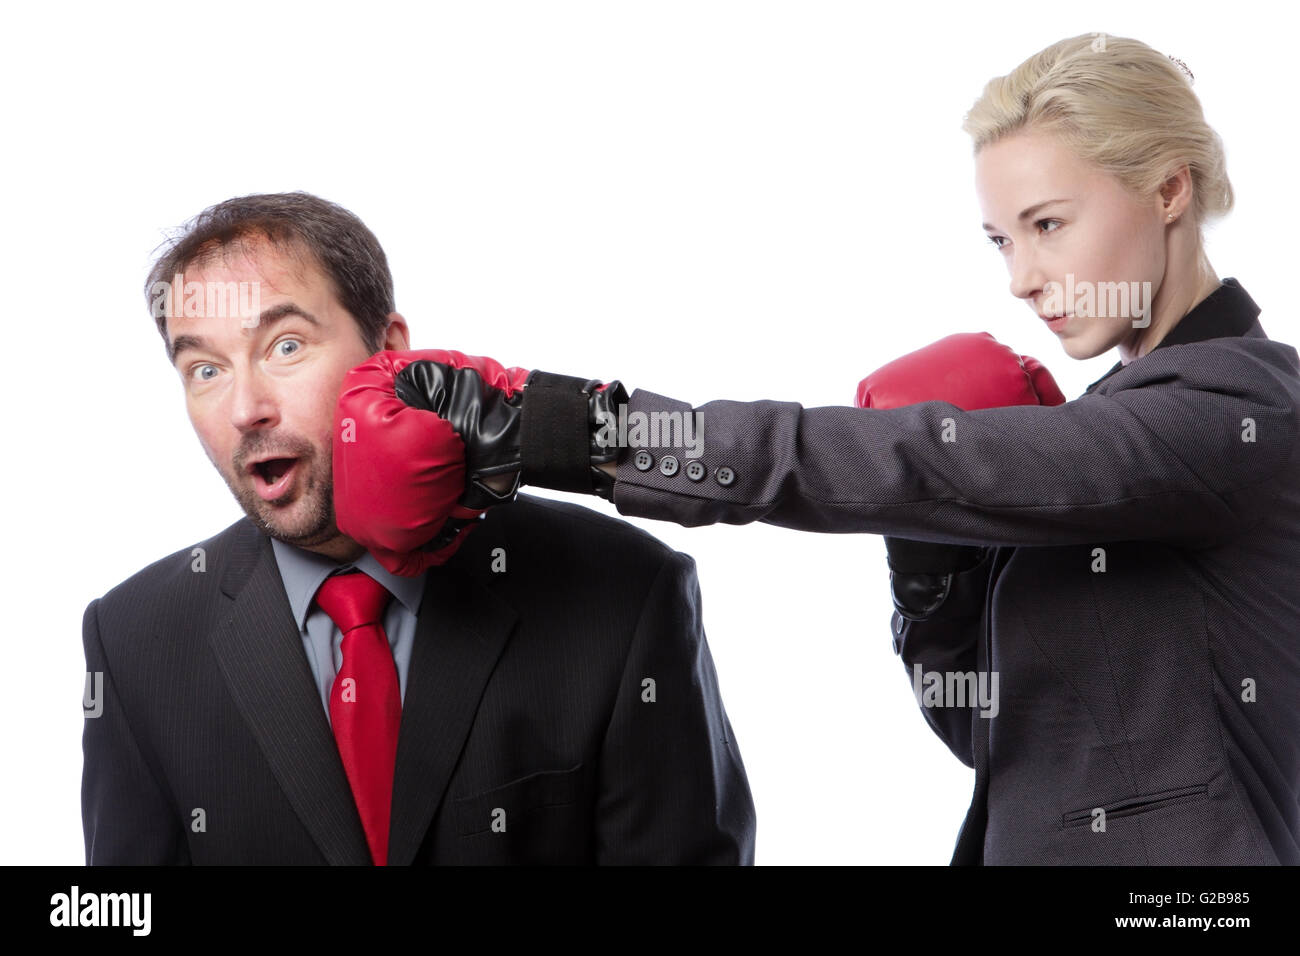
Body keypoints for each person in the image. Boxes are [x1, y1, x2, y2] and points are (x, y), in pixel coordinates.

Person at [349, 33, 1300, 865]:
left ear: (1169, 188)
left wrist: (572, 429)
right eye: (999, 241)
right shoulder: (1109, 444)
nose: (1022, 279)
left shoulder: (1239, 409)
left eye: (1048, 227)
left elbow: (916, 460)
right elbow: (988, 732)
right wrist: (934, 574)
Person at [81, 192, 755, 865]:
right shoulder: (135, 639)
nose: (245, 409)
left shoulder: (623, 592)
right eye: (205, 369)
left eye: (286, 346)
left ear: (391, 353)